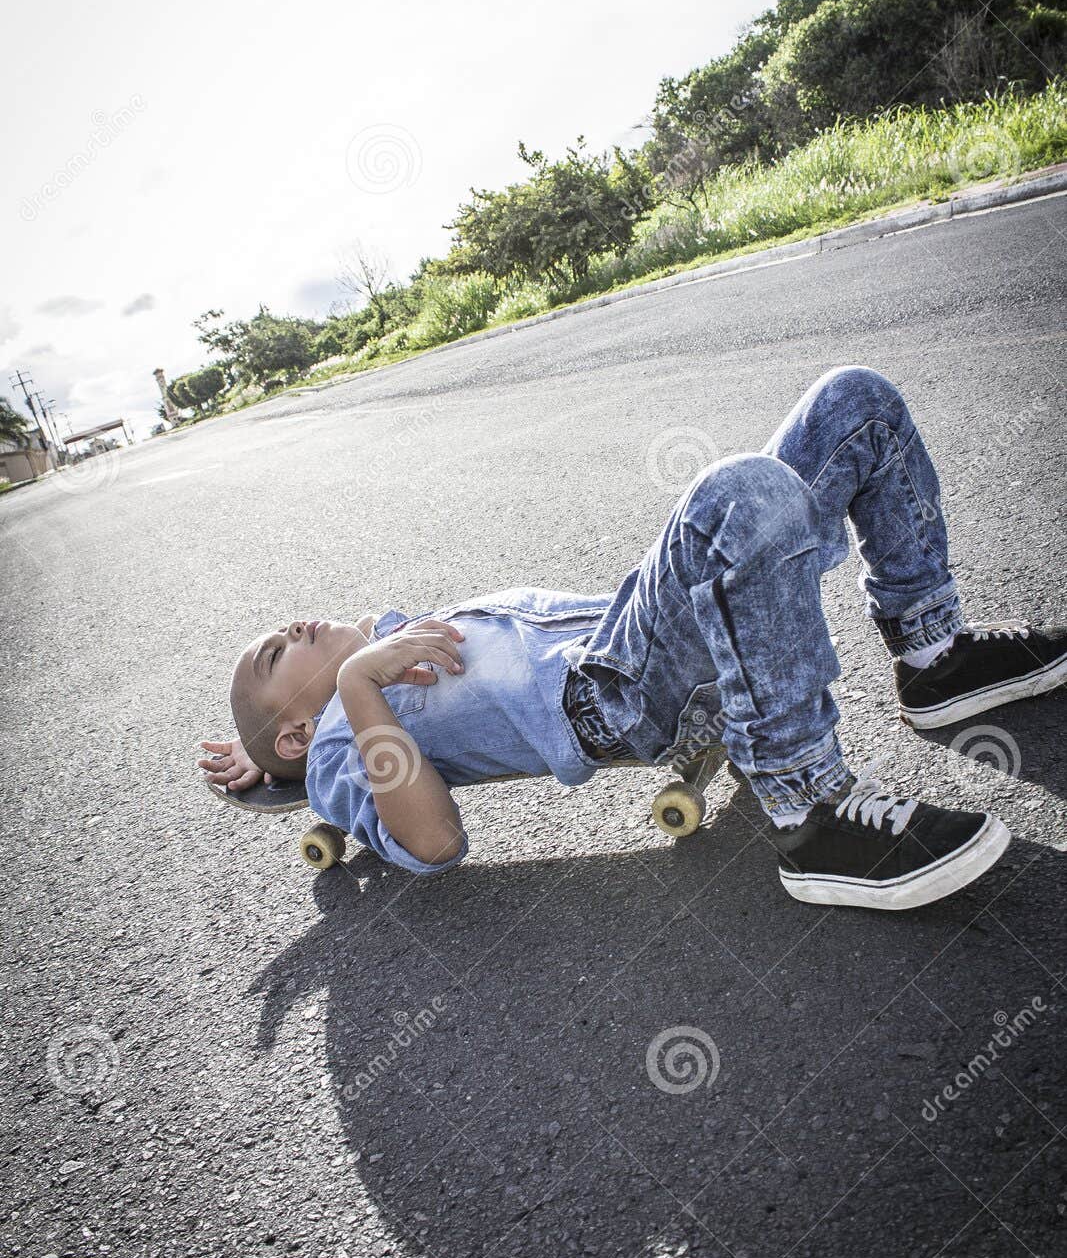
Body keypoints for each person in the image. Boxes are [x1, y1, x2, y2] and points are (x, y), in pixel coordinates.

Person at [200, 366, 1065, 910]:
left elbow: (319, 688)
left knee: (854, 404)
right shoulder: (345, 728)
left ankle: (934, 655)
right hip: (613, 700)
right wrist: (334, 706)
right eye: (277, 651)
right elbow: (431, 844)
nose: (296, 626)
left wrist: (292, 720)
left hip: (639, 639)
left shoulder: (377, 646)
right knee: (738, 493)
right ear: (296, 731)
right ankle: (810, 812)